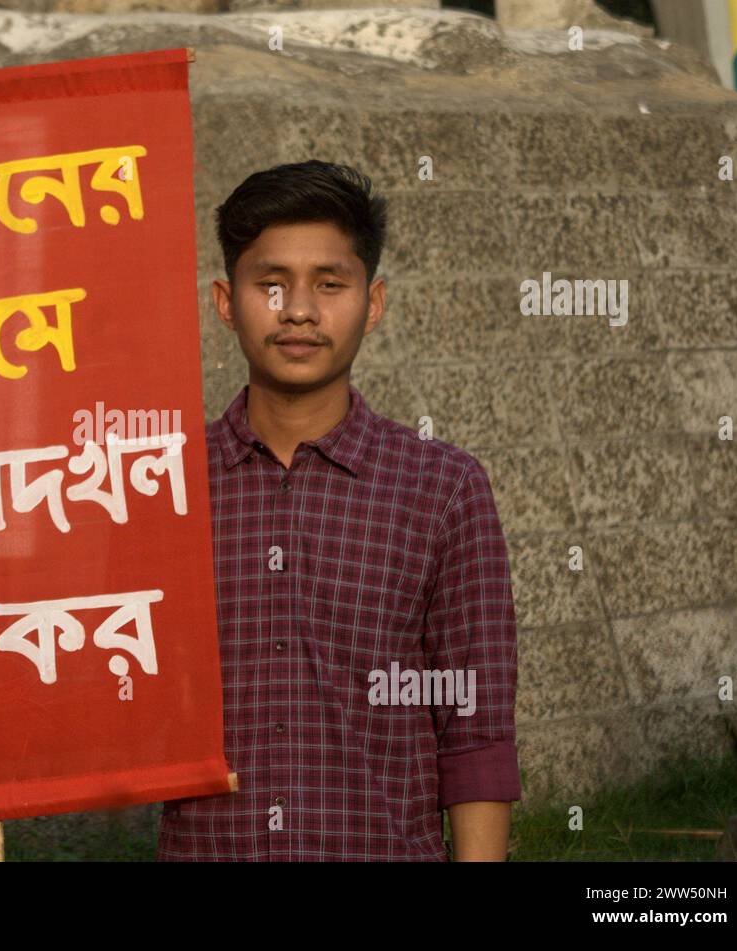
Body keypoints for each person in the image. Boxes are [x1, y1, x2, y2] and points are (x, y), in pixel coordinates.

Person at [157, 160, 521, 861]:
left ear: (373, 302)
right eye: (270, 283)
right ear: (225, 301)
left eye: (330, 284)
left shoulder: (443, 487)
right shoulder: (164, 487)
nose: (298, 310)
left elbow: (475, 732)